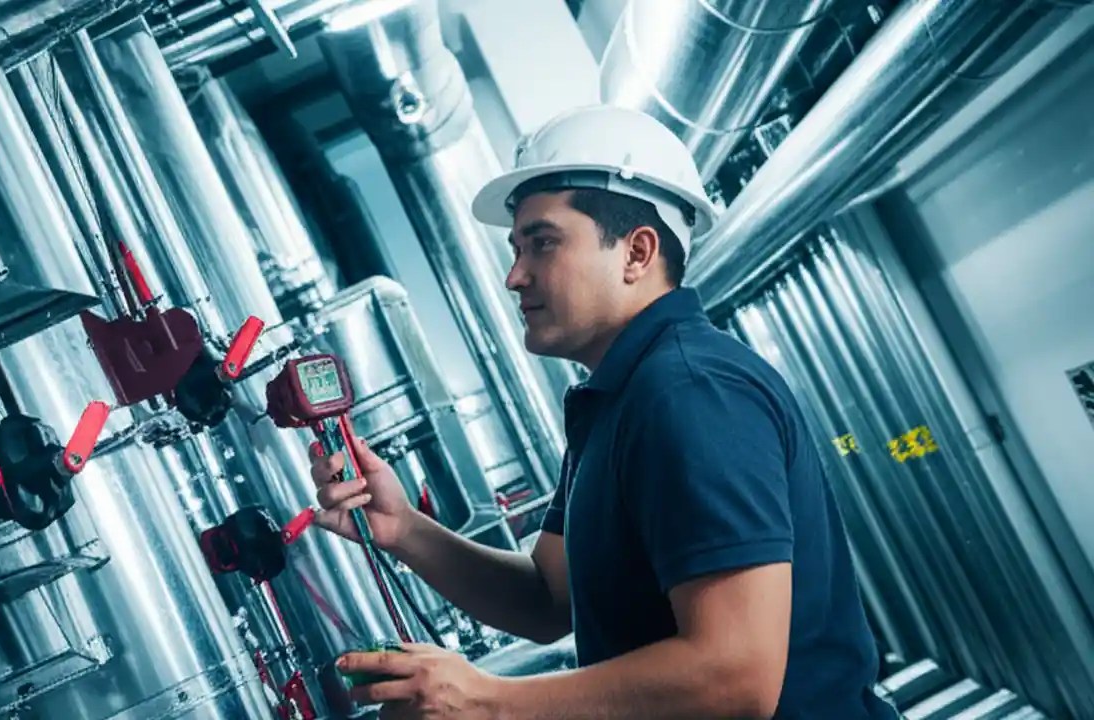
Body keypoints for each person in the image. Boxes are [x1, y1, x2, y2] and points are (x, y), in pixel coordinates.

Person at [309, 104, 899, 719]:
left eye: (542, 244)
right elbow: (547, 599)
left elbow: (736, 675)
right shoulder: (618, 400)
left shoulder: (690, 393)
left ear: (636, 252)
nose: (514, 276)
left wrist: (486, 700)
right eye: (516, 248)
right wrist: (405, 529)